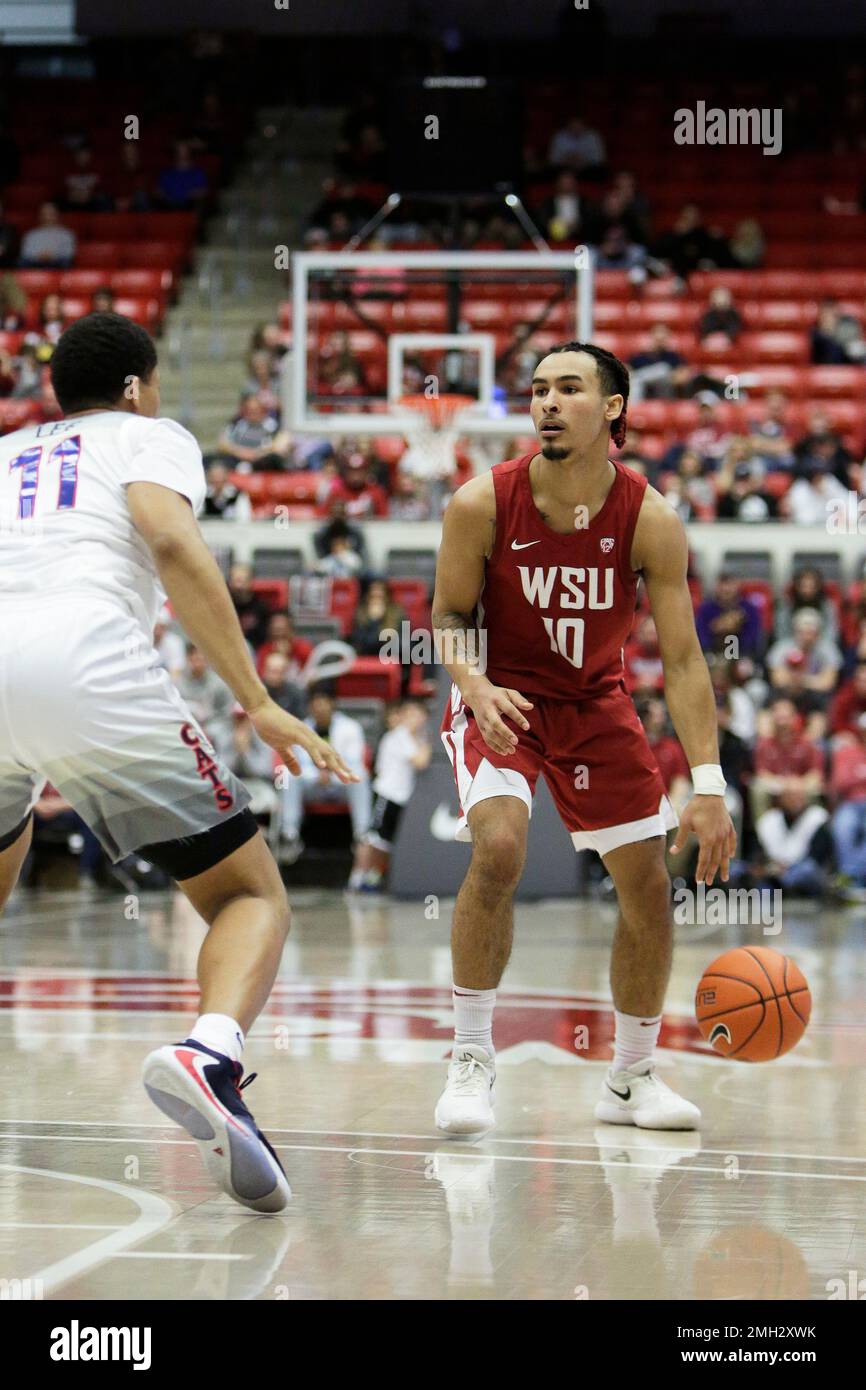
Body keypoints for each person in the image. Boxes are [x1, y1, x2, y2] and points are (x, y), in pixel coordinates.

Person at [0, 312, 358, 1212]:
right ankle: (210, 1054)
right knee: (246, 894)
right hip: (85, 660)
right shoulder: (149, 434)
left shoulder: (7, 454)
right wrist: (259, 700)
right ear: (135, 386)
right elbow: (168, 538)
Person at [433, 341, 735, 1136]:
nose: (547, 402)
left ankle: (632, 1078)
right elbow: (447, 618)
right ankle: (470, 1059)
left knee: (647, 889)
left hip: (595, 703)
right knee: (499, 848)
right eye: (538, 389)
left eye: (569, 387)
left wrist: (709, 784)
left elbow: (681, 658)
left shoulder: (651, 517)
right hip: (502, 698)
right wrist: (472, 684)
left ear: (613, 408)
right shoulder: (481, 502)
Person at [276, 686, 371, 865]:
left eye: (324, 703)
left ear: (332, 704)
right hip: (312, 785)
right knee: (286, 775)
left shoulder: (351, 727)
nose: (320, 708)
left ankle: (362, 835)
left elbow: (354, 762)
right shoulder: (301, 727)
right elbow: (298, 762)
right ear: (310, 706)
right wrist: (318, 775)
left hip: (341, 785)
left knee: (362, 776)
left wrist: (332, 774)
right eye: (315, 703)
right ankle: (289, 834)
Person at [349, 700, 432, 892]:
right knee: (372, 838)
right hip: (387, 795)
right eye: (411, 714)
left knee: (387, 841)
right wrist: (429, 741)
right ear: (403, 715)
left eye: (420, 715)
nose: (417, 719)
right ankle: (357, 879)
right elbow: (421, 761)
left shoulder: (412, 738)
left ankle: (373, 878)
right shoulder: (399, 736)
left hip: (402, 799)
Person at [18, 202, 76, 269]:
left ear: (57, 215)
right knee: (22, 262)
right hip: (35, 264)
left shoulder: (66, 234)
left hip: (57, 264)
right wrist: (40, 256)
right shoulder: (31, 235)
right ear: (39, 216)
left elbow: (69, 254)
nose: (47, 217)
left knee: (66, 262)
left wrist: (52, 256)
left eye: (51, 214)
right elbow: (26, 254)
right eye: (44, 214)